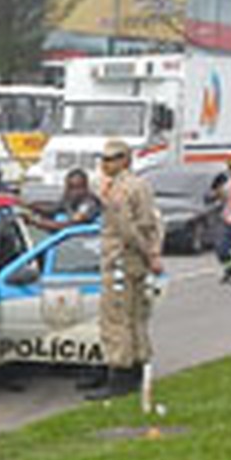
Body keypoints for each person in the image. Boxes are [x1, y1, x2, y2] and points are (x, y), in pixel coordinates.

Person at [87, 140, 164, 401]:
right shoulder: (139, 185)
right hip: (134, 261)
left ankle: (119, 375)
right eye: (103, 159)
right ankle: (136, 369)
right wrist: (152, 253)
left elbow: (128, 228)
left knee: (115, 320)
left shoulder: (120, 189)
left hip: (121, 259)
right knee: (134, 317)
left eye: (112, 159)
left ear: (126, 160)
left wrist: (148, 253)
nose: (105, 164)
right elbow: (153, 223)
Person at [26, 168, 101, 233]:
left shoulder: (89, 204)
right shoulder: (69, 200)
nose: (73, 192)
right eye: (69, 188)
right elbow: (52, 208)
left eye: (77, 188)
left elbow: (68, 226)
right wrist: (27, 205)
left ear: (85, 188)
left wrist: (34, 221)